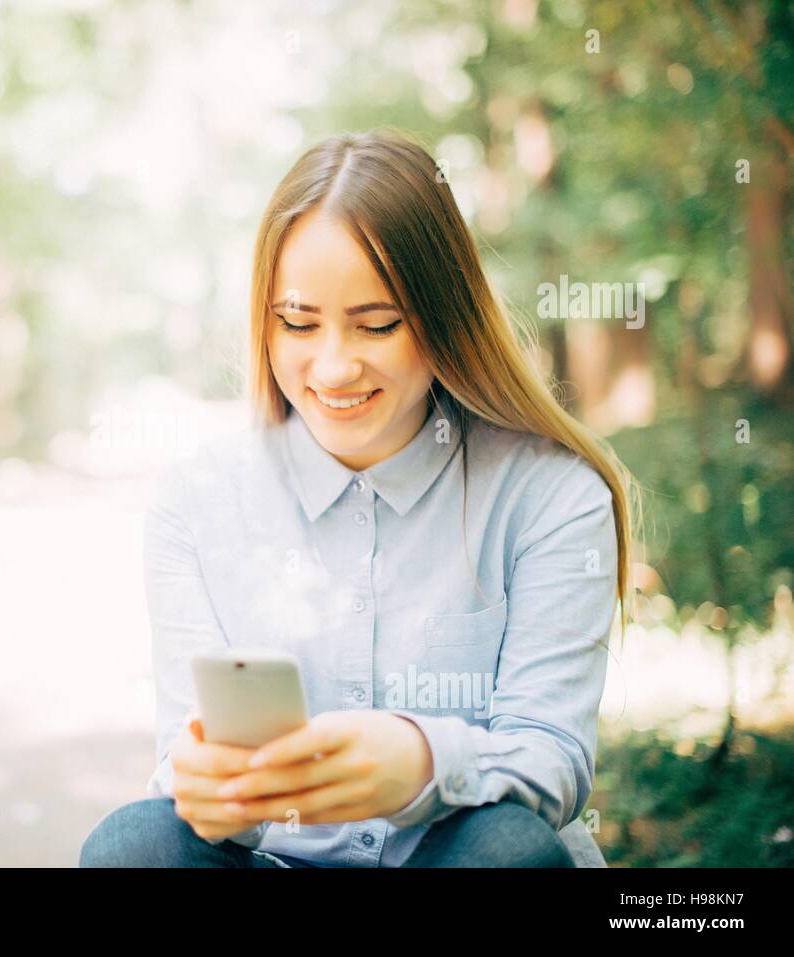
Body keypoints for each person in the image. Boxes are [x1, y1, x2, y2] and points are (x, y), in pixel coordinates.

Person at [80, 129, 640, 868]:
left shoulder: (550, 495)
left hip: (458, 859)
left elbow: (553, 761)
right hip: (277, 858)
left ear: (444, 317)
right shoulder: (198, 500)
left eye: (378, 324)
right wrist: (216, 789)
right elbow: (188, 767)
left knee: (512, 847)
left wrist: (423, 762)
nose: (335, 366)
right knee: (134, 844)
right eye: (299, 322)